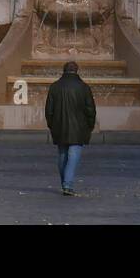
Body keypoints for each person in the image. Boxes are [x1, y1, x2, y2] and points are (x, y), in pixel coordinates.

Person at [44, 61, 97, 196]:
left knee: (62, 154)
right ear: (76, 70)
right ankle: (67, 184)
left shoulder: (54, 87)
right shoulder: (84, 87)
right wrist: (90, 125)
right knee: (73, 155)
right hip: (79, 128)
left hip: (59, 126)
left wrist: (51, 125)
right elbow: (90, 109)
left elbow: (49, 110)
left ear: (64, 70)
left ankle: (65, 183)